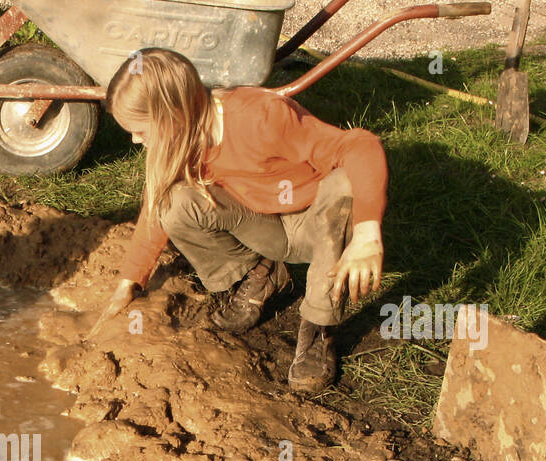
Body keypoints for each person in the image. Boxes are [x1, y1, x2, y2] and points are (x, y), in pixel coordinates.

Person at [95, 48, 387, 393]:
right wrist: (129, 281)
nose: (135, 140)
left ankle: (318, 328)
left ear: (174, 114)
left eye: (141, 130)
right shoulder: (181, 139)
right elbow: (154, 208)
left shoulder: (261, 117)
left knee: (344, 185)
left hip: (316, 224)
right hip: (265, 227)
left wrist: (368, 234)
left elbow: (361, 145)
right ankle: (261, 273)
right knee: (173, 203)